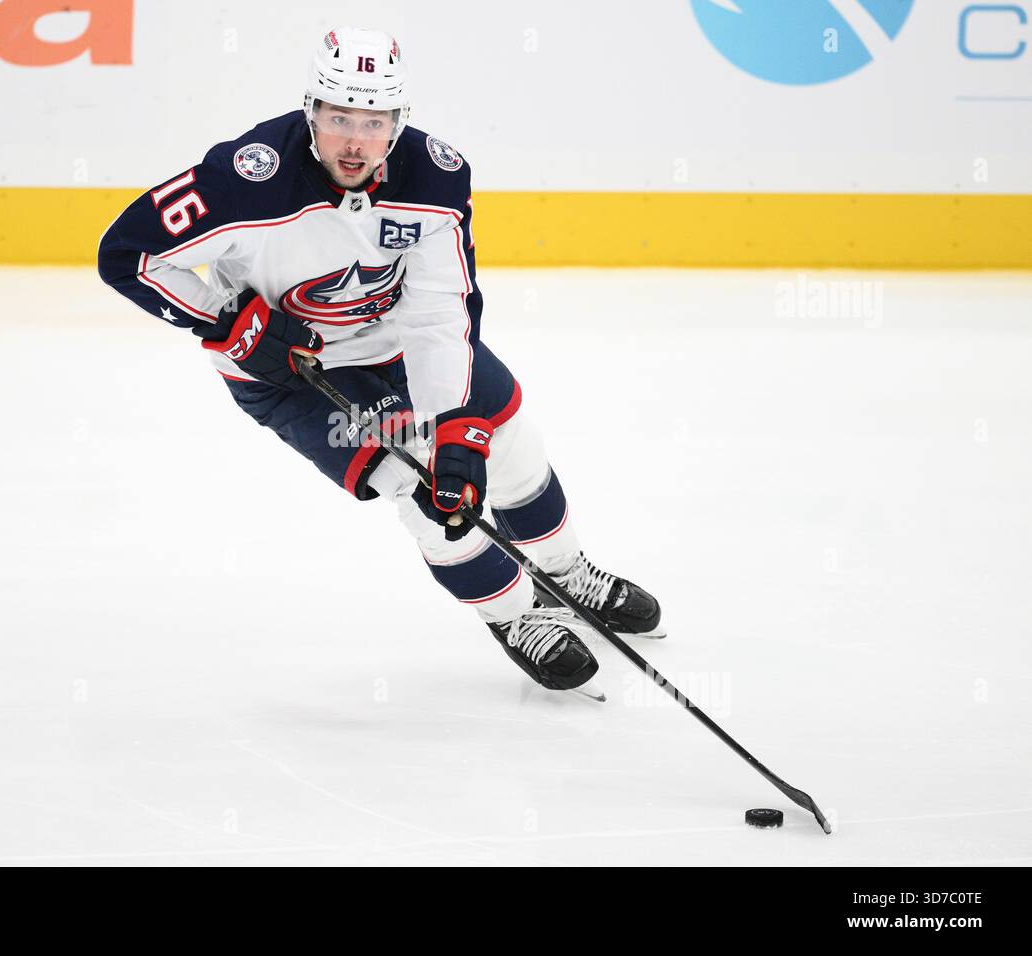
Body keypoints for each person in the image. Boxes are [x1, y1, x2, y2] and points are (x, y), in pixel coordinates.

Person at [97, 26, 664, 695]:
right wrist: (229, 322)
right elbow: (125, 254)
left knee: (507, 445)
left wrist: (452, 424)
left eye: (374, 121)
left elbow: (436, 313)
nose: (355, 141)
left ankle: (566, 572)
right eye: (339, 118)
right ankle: (515, 616)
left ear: (399, 122)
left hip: (396, 340)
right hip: (294, 373)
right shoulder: (245, 178)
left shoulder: (436, 176)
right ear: (310, 111)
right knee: (425, 492)